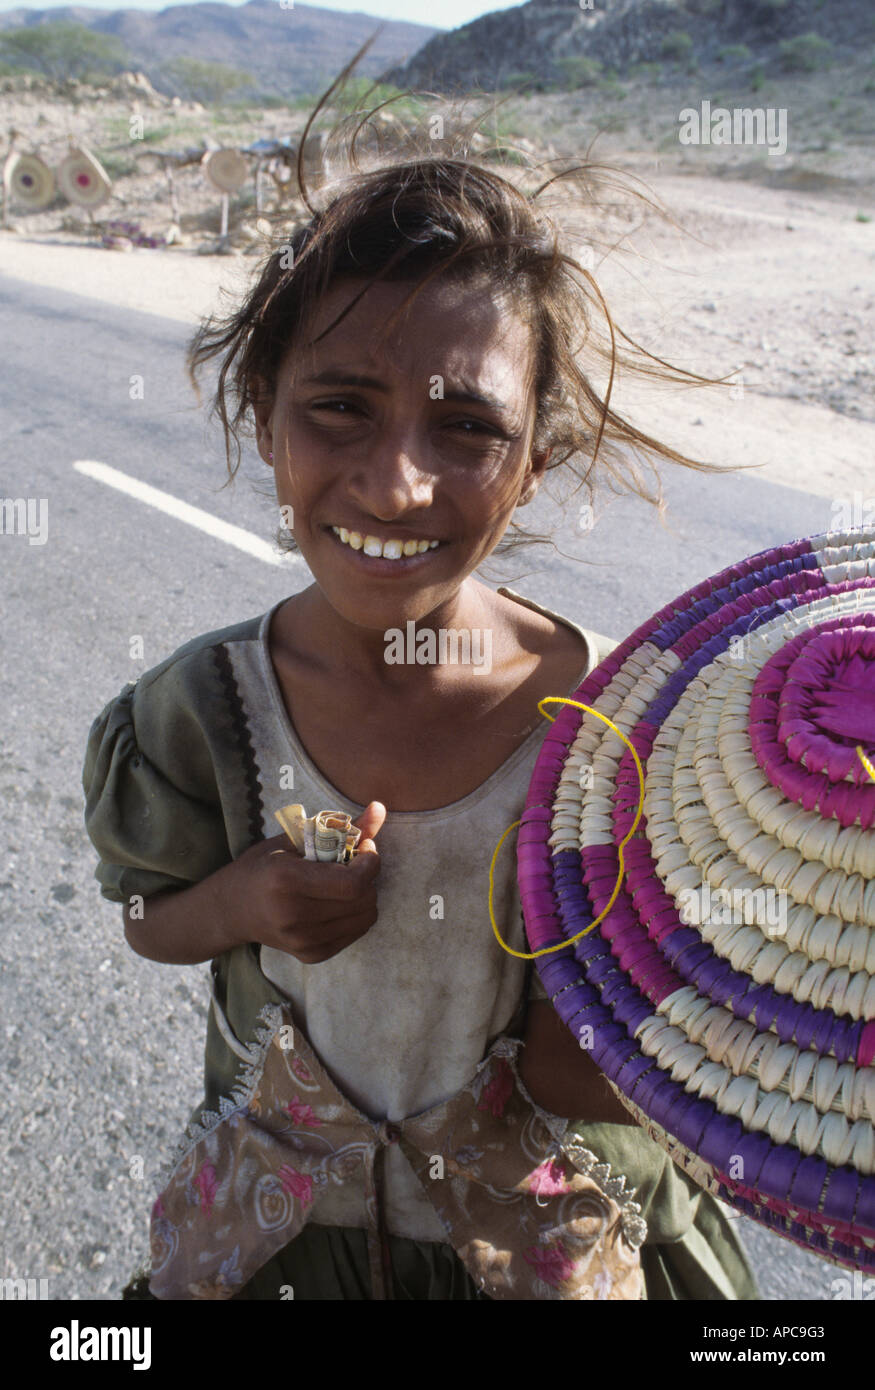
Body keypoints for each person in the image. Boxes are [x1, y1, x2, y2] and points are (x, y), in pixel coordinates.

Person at [81, 67, 757, 1301]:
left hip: (547, 1251)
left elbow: (607, 1071)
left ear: (536, 460)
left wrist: (612, 1009)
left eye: (467, 429)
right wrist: (245, 900)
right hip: (287, 1240)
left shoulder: (621, 726)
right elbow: (149, 923)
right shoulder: (201, 711)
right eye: (339, 407)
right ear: (263, 414)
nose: (396, 486)